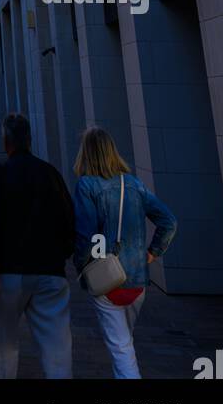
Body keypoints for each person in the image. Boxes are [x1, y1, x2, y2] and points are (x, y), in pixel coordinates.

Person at [73, 127, 177, 379]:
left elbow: (85, 235)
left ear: (86, 153)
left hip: (106, 278)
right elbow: (169, 221)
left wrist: (81, 267)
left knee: (121, 348)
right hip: (137, 280)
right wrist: (153, 252)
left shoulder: (86, 185)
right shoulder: (134, 184)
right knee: (124, 341)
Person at [0, 113, 75, 380]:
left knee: (0, 348)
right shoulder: (50, 174)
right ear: (30, 140)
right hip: (50, 272)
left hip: (8, 273)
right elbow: (69, 220)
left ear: (6, 141)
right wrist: (60, 255)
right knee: (57, 350)